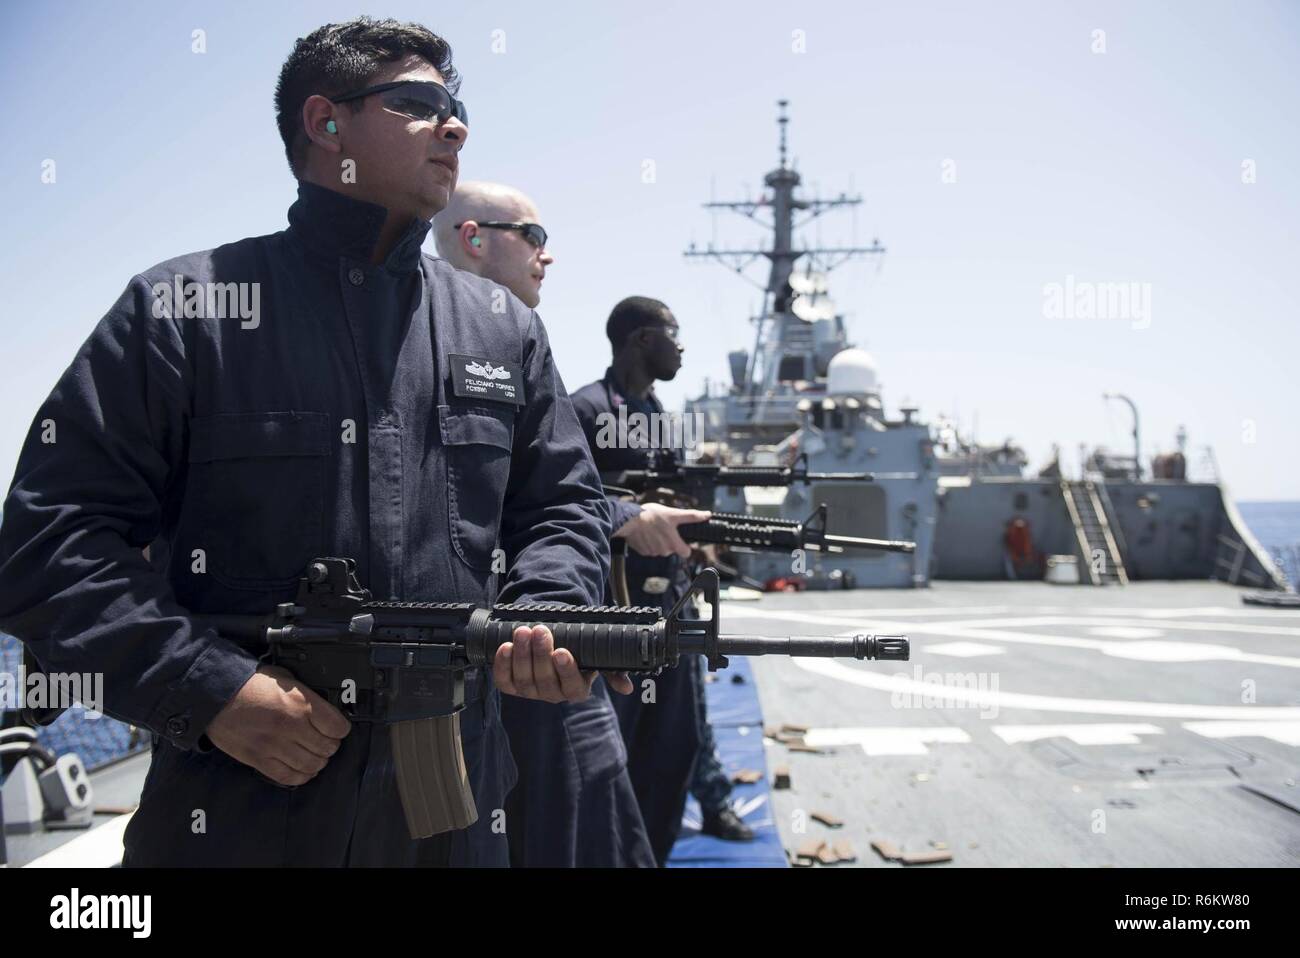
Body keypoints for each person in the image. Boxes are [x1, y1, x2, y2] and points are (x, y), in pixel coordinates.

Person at [0, 17, 613, 867]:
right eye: (420, 102)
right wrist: (212, 690)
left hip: (451, 818)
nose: (457, 124)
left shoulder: (501, 327)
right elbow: (50, 542)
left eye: (458, 104)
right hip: (237, 814)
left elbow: (562, 504)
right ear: (327, 125)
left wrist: (550, 605)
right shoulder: (185, 310)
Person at [433, 183, 654, 867]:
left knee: (595, 818)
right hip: (465, 676)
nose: (546, 254)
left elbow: (560, 497)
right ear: (474, 238)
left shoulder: (517, 342)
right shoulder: (413, 346)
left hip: (539, 646)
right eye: (532, 234)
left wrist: (551, 603)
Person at [571, 297, 753, 866]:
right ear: (643, 339)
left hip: (670, 603)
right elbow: (562, 501)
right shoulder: (583, 410)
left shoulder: (660, 417)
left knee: (675, 743)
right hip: (610, 607)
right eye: (673, 334)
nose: (682, 347)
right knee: (607, 745)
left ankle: (651, 855)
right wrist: (629, 515)